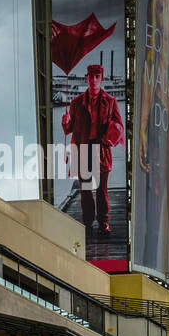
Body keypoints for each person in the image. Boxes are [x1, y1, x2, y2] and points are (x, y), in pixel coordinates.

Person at [61, 63, 124, 233]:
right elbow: (69, 129)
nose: (93, 80)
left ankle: (104, 222)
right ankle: (88, 222)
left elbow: (119, 125)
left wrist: (107, 140)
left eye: (97, 77)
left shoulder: (110, 102)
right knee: (86, 190)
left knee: (101, 189)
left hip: (101, 149)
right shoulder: (75, 103)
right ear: (87, 77)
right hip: (82, 150)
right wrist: (65, 122)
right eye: (91, 76)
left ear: (101, 79)